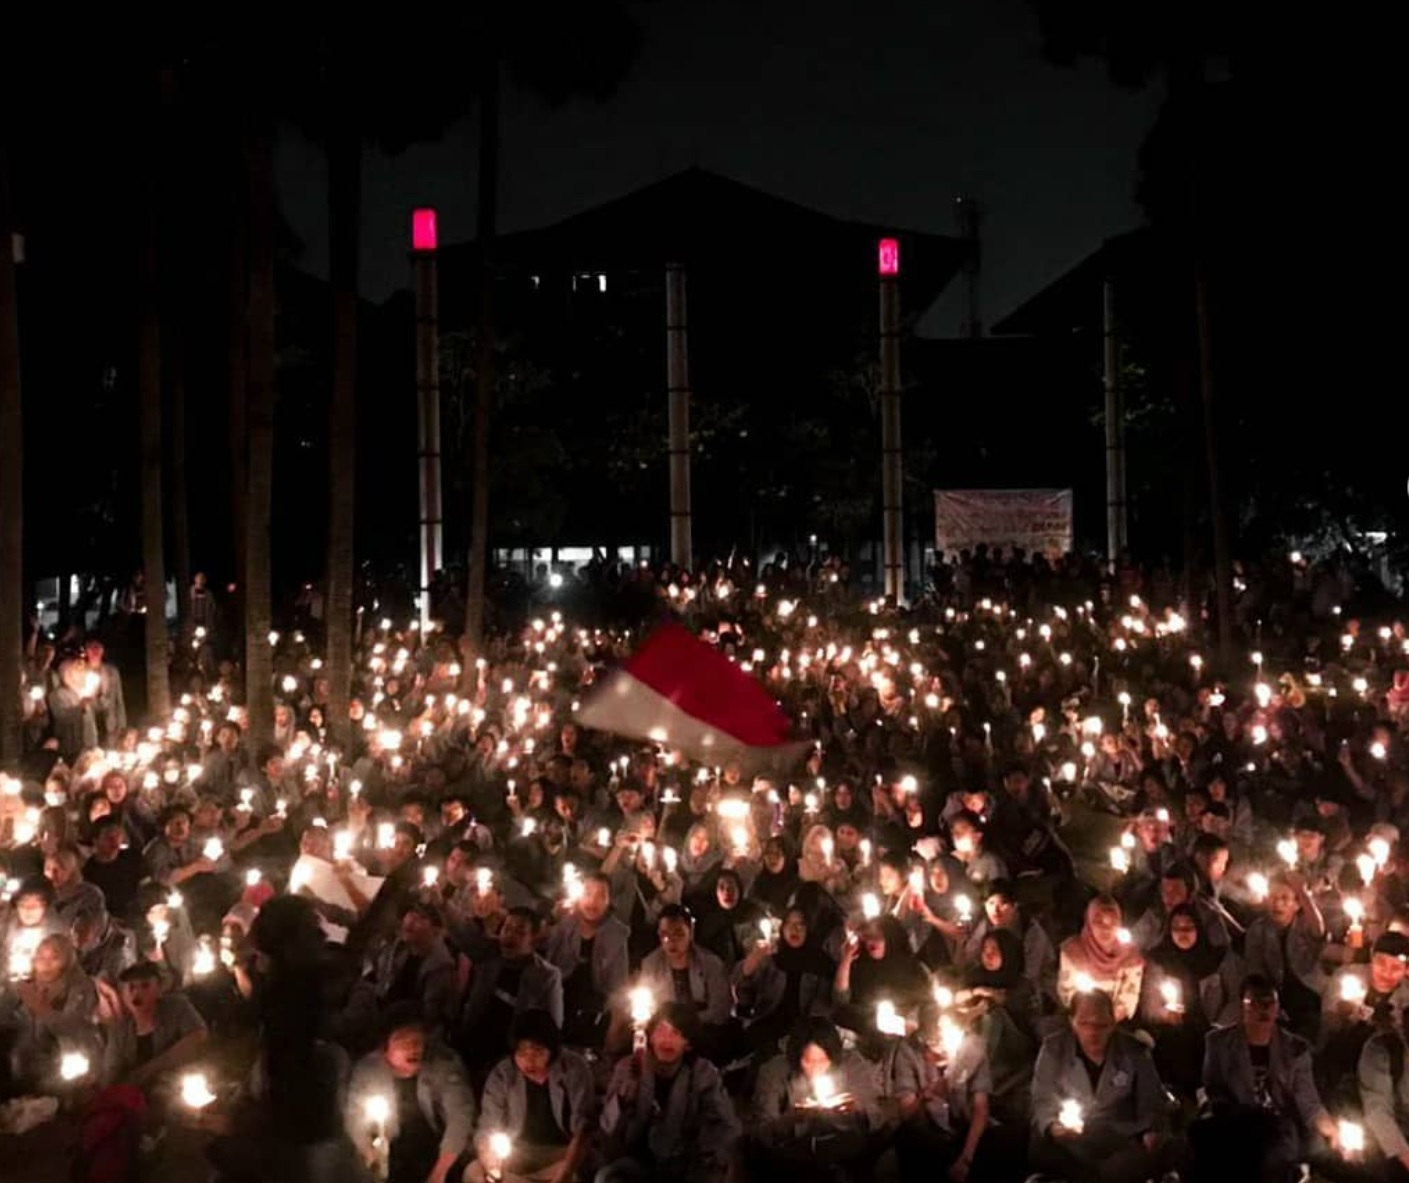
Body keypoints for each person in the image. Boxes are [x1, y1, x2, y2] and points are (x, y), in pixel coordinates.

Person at [1195, 973, 1339, 1183]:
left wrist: (1332, 1131)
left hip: (1278, 1124)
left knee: (1274, 1153)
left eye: (1269, 1002)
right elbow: (1214, 1088)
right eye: (1253, 1003)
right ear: (1243, 1006)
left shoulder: (1296, 1049)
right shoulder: (1218, 1043)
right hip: (1235, 1119)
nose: (1263, 1009)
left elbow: (1308, 1100)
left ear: (1278, 1007)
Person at [1029, 989, 1171, 1183]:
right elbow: (1042, 1097)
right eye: (1084, 1024)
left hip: (1117, 1136)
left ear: (1113, 1024)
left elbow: (1151, 1099)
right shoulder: (1054, 1048)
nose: (1092, 1033)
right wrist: (1053, 1126)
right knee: (1042, 1149)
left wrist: (1152, 1130)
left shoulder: (1134, 1051)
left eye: (1100, 1025)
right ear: (1072, 1021)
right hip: (1069, 1140)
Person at [596, 1002, 740, 1183]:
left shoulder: (702, 1072)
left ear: (688, 1043)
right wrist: (623, 1098)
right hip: (636, 1160)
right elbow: (607, 1126)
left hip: (686, 1164)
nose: (667, 1040)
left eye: (676, 1033)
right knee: (606, 1177)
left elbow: (726, 1125)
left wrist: (709, 1154)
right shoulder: (628, 1067)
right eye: (661, 1031)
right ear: (651, 1036)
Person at [346, 1008, 476, 1183]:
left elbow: (461, 1118)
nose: (412, 1048)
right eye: (402, 1042)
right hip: (391, 1149)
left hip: (438, 1149)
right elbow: (354, 1118)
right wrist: (369, 1152)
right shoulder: (368, 1070)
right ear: (385, 1049)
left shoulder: (444, 1064)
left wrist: (439, 1174)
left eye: (417, 1040)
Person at [747, 1015, 882, 1183]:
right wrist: (790, 1119)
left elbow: (876, 1113)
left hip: (844, 1148)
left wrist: (855, 1110)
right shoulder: (774, 1071)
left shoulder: (853, 1065)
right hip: (791, 1158)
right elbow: (759, 1132)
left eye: (822, 1061)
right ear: (796, 1057)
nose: (816, 1069)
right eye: (808, 1061)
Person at [473, 1009, 596, 1183]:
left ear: (552, 1050)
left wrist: (565, 1173)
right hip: (518, 1153)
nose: (529, 1061)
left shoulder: (574, 1069)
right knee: (473, 1172)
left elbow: (584, 1128)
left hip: (562, 1152)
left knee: (576, 1175)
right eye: (522, 1053)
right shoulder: (503, 1074)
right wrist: (492, 1167)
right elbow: (488, 1127)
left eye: (537, 1052)